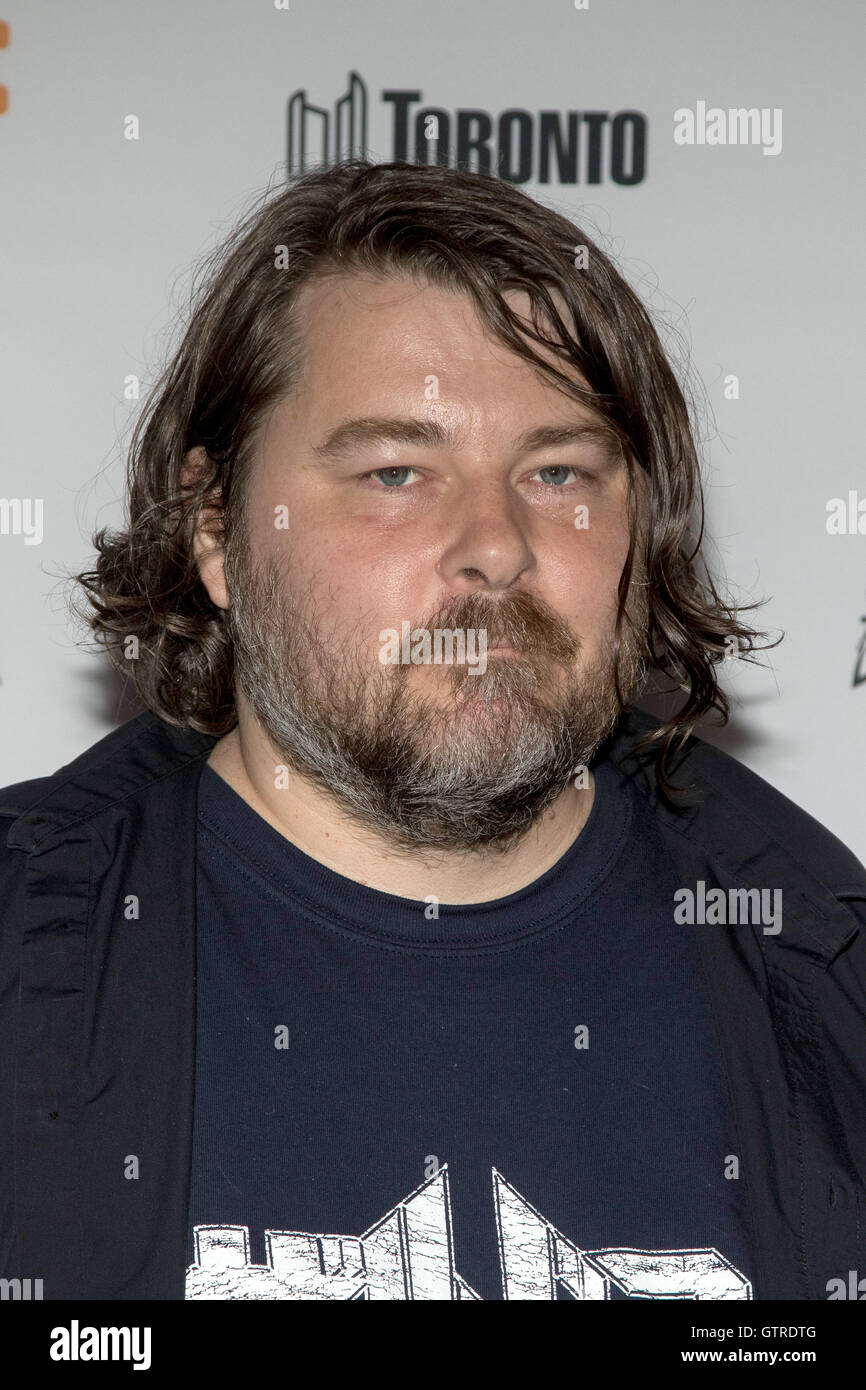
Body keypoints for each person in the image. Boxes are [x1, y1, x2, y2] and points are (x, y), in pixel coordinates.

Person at [1, 159, 864, 1302]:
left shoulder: (823, 977)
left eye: (558, 471)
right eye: (397, 471)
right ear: (215, 530)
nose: (496, 545)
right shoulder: (27, 963)